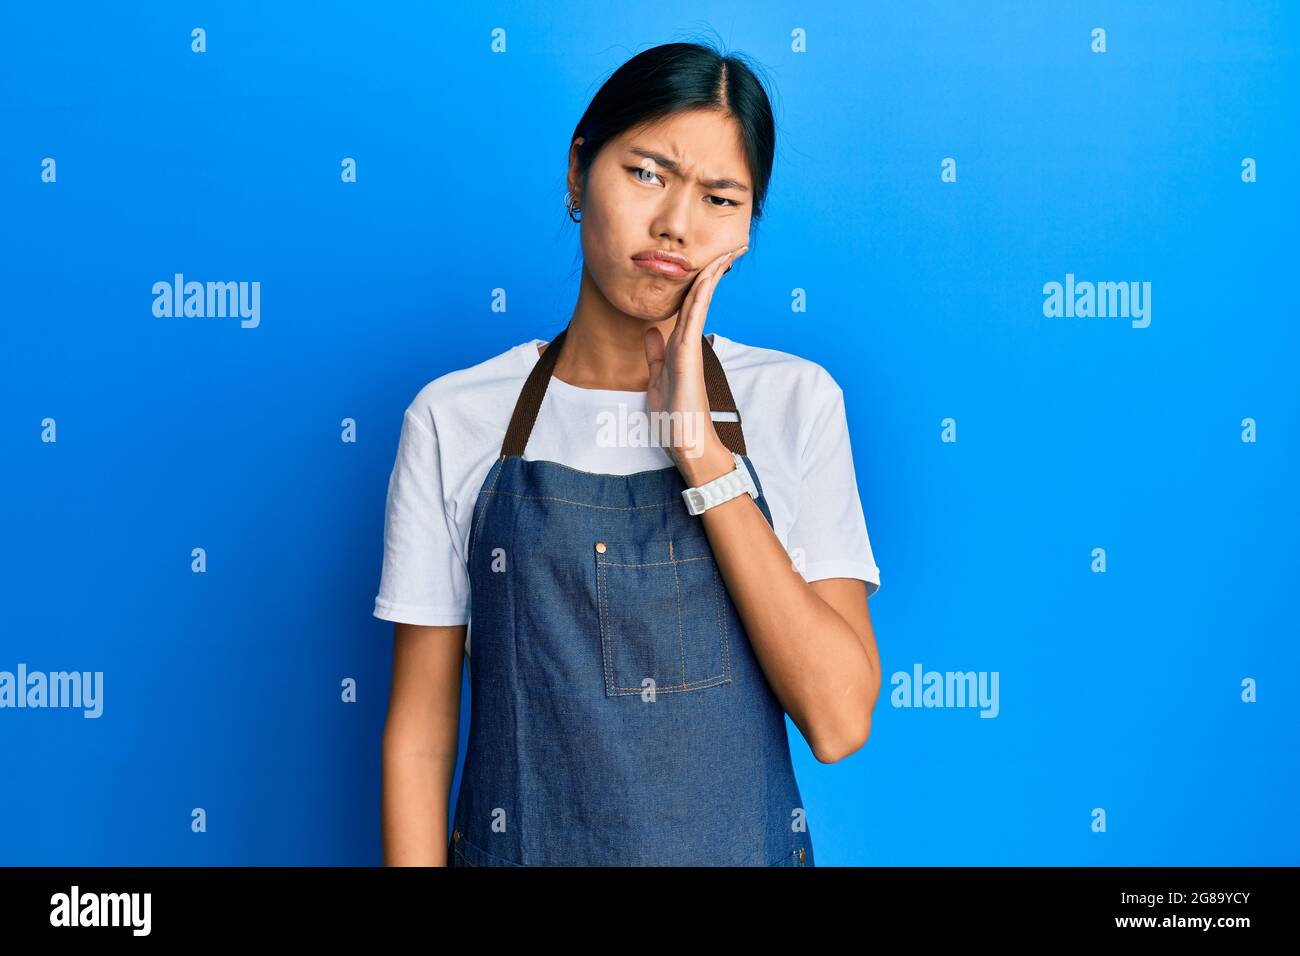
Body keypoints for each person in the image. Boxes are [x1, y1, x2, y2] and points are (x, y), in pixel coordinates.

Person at [376, 40, 882, 867]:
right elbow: (421, 736)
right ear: (579, 173)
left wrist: (700, 452)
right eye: (647, 173)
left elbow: (838, 718)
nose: (676, 225)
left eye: (720, 197)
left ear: (748, 225)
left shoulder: (796, 403)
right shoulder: (455, 417)